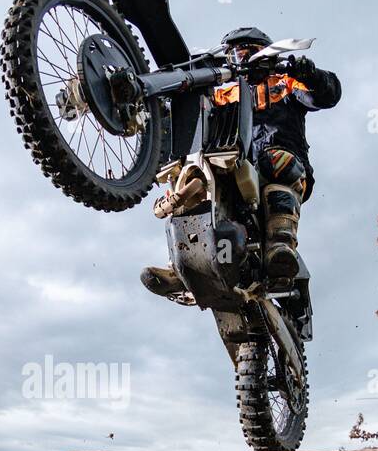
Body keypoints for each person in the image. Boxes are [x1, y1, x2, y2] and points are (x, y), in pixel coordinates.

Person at [141, 26, 341, 293]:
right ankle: (183, 266)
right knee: (193, 175)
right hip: (233, 164)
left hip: (279, 162)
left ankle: (281, 246)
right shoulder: (225, 93)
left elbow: (327, 95)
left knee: (276, 161)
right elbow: (191, 113)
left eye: (248, 52)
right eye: (235, 54)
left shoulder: (284, 84)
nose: (242, 59)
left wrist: (308, 73)